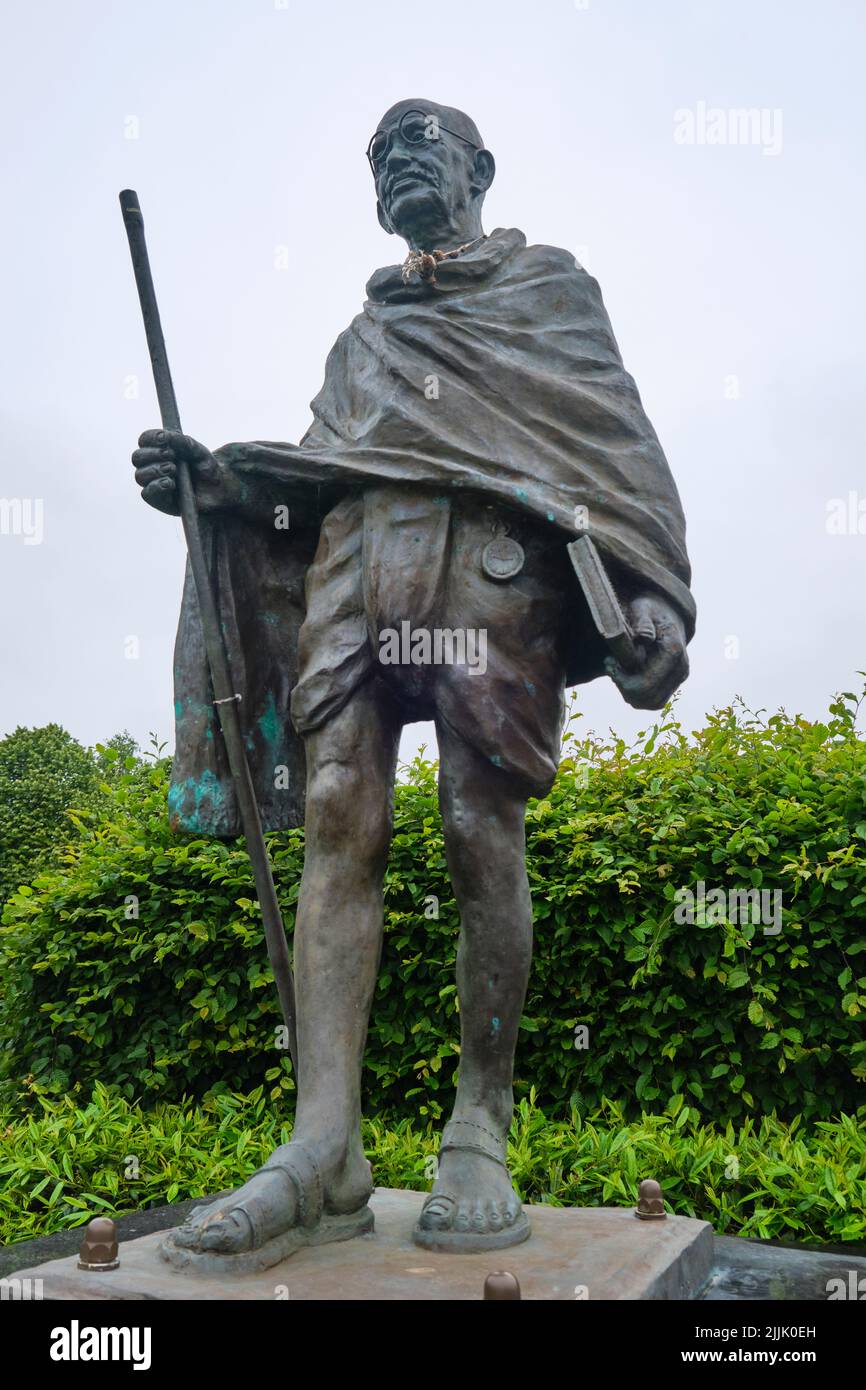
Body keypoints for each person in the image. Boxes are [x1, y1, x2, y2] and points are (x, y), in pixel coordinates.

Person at [133, 99, 694, 1262]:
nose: (396, 159)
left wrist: (652, 603)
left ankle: (476, 1127)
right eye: (378, 150)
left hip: (494, 577)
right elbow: (325, 472)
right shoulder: (361, 341)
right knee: (339, 819)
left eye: (419, 140)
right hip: (357, 573)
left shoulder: (550, 296)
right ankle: (322, 1143)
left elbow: (616, 452)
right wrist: (219, 488)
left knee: (478, 826)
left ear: (479, 167)